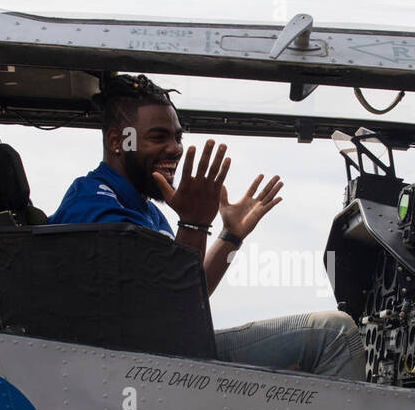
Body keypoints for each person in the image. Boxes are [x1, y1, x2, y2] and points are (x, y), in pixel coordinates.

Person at [49, 74, 364, 379]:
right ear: (117, 141)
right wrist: (194, 224)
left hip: (162, 358)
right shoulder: (92, 207)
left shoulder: (144, 209)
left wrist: (230, 236)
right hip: (138, 372)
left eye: (178, 136)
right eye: (158, 137)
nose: (175, 149)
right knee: (336, 336)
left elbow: (189, 292)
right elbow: (168, 309)